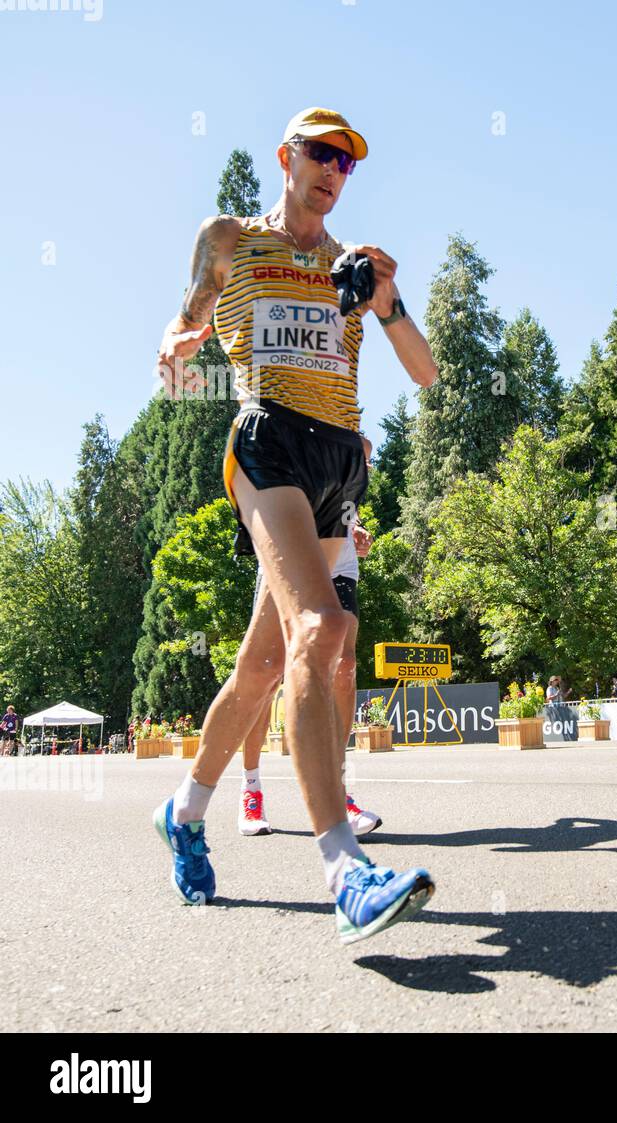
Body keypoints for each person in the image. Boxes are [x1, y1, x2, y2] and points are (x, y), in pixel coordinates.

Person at [153, 107, 439, 942]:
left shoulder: (353, 265)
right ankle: (344, 868)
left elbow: (423, 372)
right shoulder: (232, 237)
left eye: (346, 162)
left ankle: (185, 806)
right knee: (323, 627)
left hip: (339, 460)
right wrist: (176, 342)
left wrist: (386, 301)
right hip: (267, 439)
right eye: (319, 154)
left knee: (263, 666)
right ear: (285, 158)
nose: (332, 171)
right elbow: (191, 314)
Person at [236, 516, 382, 837]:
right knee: (268, 674)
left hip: (338, 564)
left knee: (344, 666)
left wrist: (354, 526)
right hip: (287, 558)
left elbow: (346, 493)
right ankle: (251, 790)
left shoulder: (357, 464)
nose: (368, 463)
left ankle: (336, 793)